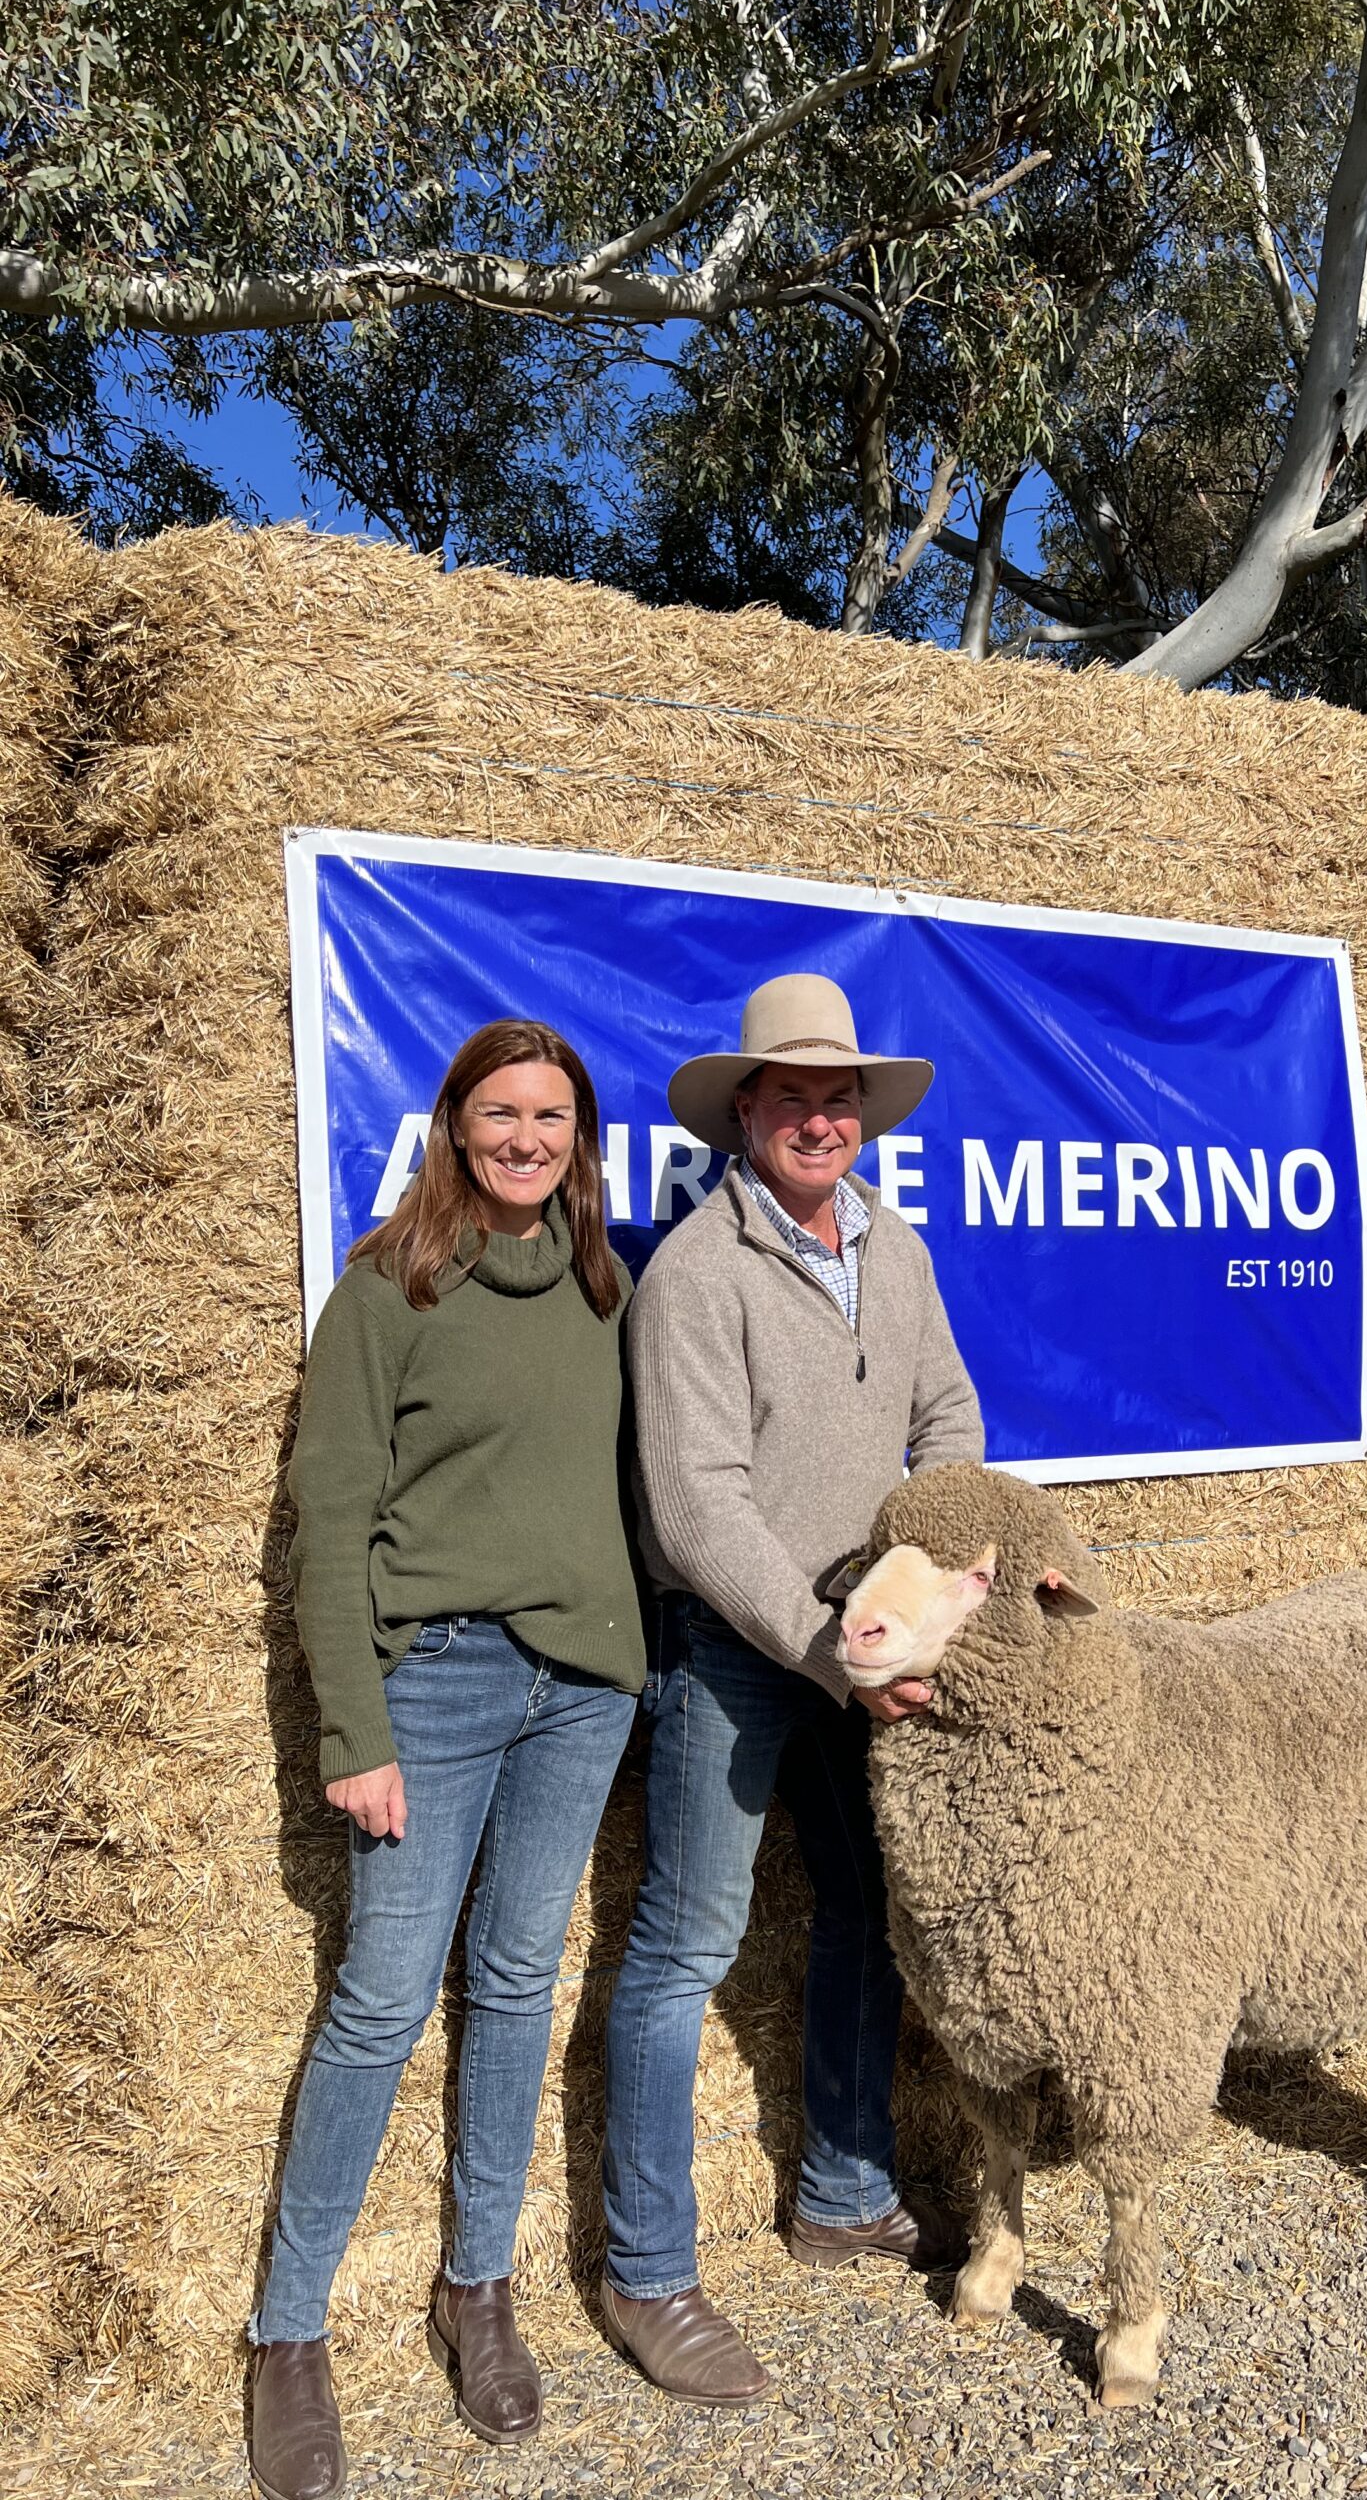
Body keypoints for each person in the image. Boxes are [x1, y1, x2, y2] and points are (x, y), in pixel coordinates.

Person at [249, 1021, 648, 2500]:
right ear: (455, 1126)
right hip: (441, 1685)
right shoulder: (389, 1286)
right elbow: (329, 1524)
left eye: (551, 1116)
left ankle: (478, 2290)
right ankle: (290, 2333)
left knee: (516, 1990)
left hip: (579, 1695)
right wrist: (355, 1730)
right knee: (379, 2003)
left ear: (579, 1137)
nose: (527, 1138)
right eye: (501, 1114)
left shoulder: (607, 1288)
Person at [601, 971, 984, 2404]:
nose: (820, 1119)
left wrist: (934, 1576)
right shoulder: (698, 1272)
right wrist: (825, 1649)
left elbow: (946, 1418)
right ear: (745, 1111)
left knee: (871, 1913)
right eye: (793, 1097)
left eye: (842, 1100)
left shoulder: (899, 1253)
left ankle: (840, 2188)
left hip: (856, 1638)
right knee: (683, 1949)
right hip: (737, 1649)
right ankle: (646, 2276)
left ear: (865, 1119)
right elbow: (695, 1511)